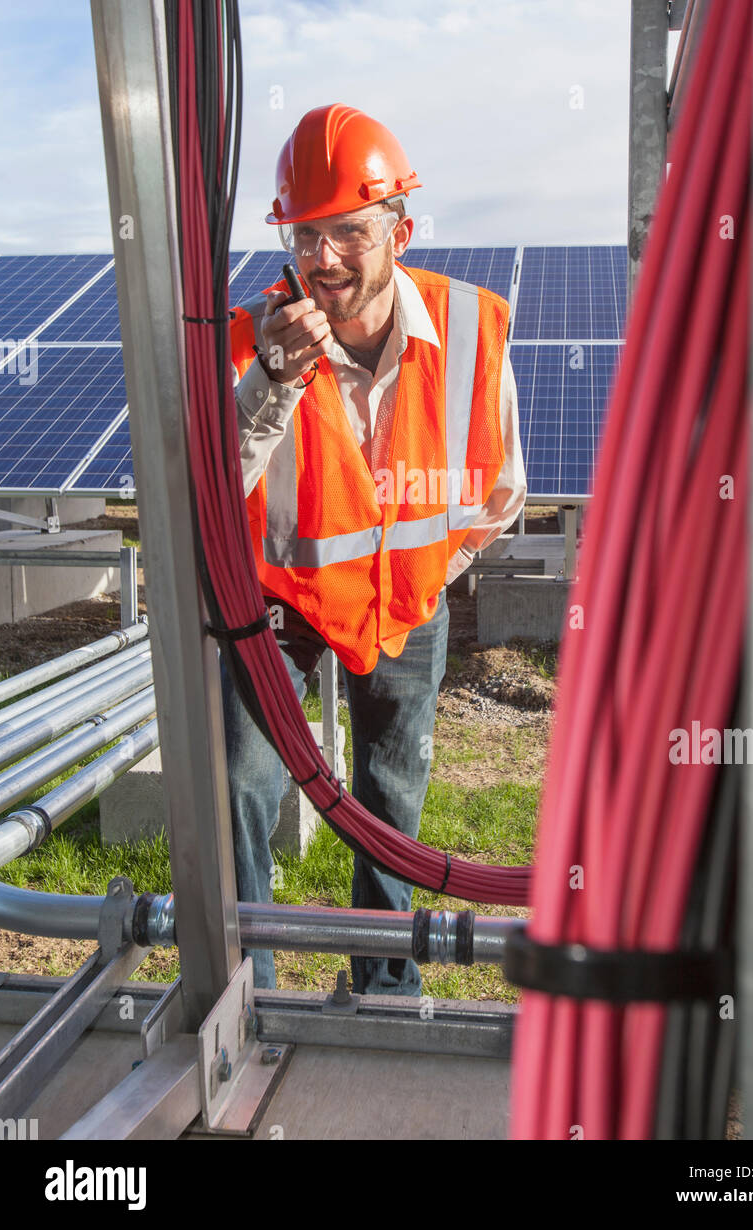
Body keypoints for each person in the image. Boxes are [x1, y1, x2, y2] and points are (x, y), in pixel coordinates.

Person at [224, 103, 526, 994]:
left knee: (391, 797)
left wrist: (426, 573)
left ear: (399, 228)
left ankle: (384, 986)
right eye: (305, 234)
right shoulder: (252, 342)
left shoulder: (470, 328)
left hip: (407, 602)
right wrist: (273, 384)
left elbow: (499, 490)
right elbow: (206, 486)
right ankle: (252, 990)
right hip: (274, 603)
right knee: (242, 783)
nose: (323, 259)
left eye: (349, 232)